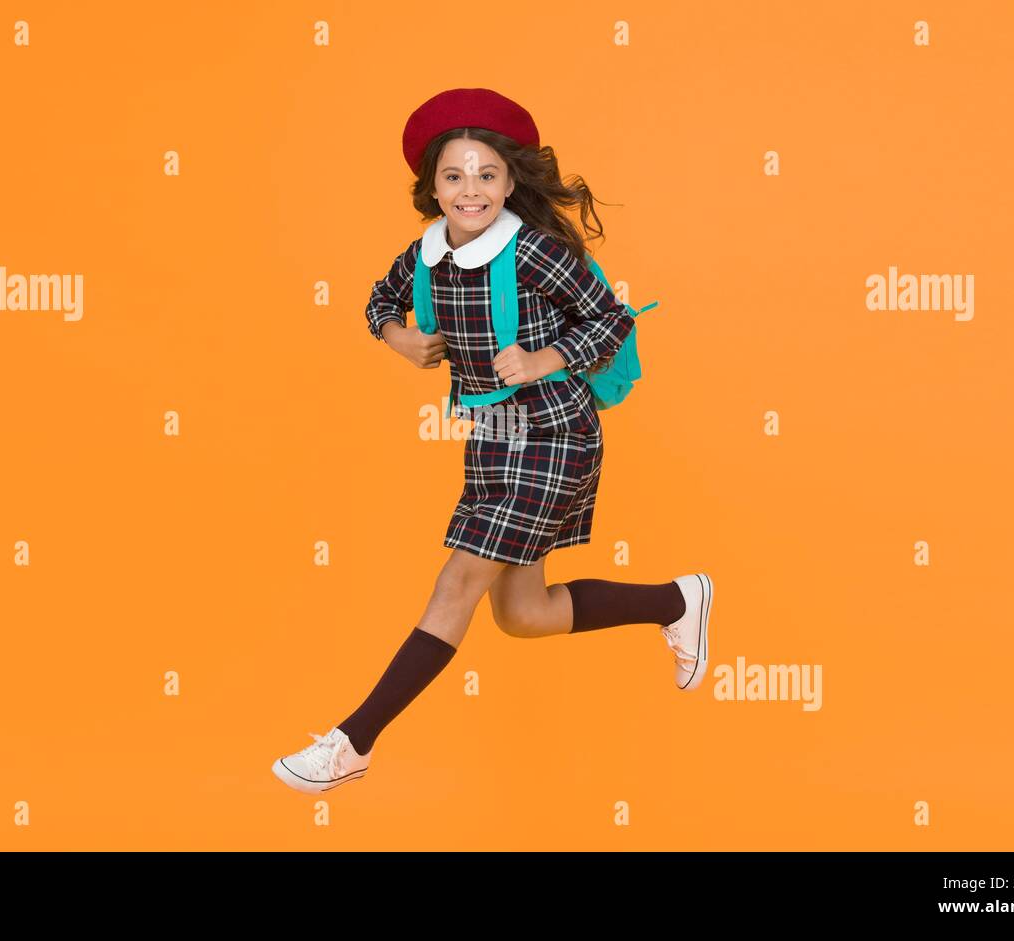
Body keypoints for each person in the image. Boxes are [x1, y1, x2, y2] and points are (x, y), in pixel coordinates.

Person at [273, 88, 713, 795]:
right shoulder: (425, 257)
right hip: (490, 434)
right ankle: (677, 601)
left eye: (486, 174)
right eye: (454, 176)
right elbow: (378, 303)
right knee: (522, 614)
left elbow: (611, 318)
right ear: (432, 188)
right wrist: (402, 338)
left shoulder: (535, 252)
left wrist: (545, 358)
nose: (470, 189)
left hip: (555, 429)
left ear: (510, 182)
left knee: (456, 584)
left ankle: (352, 742)